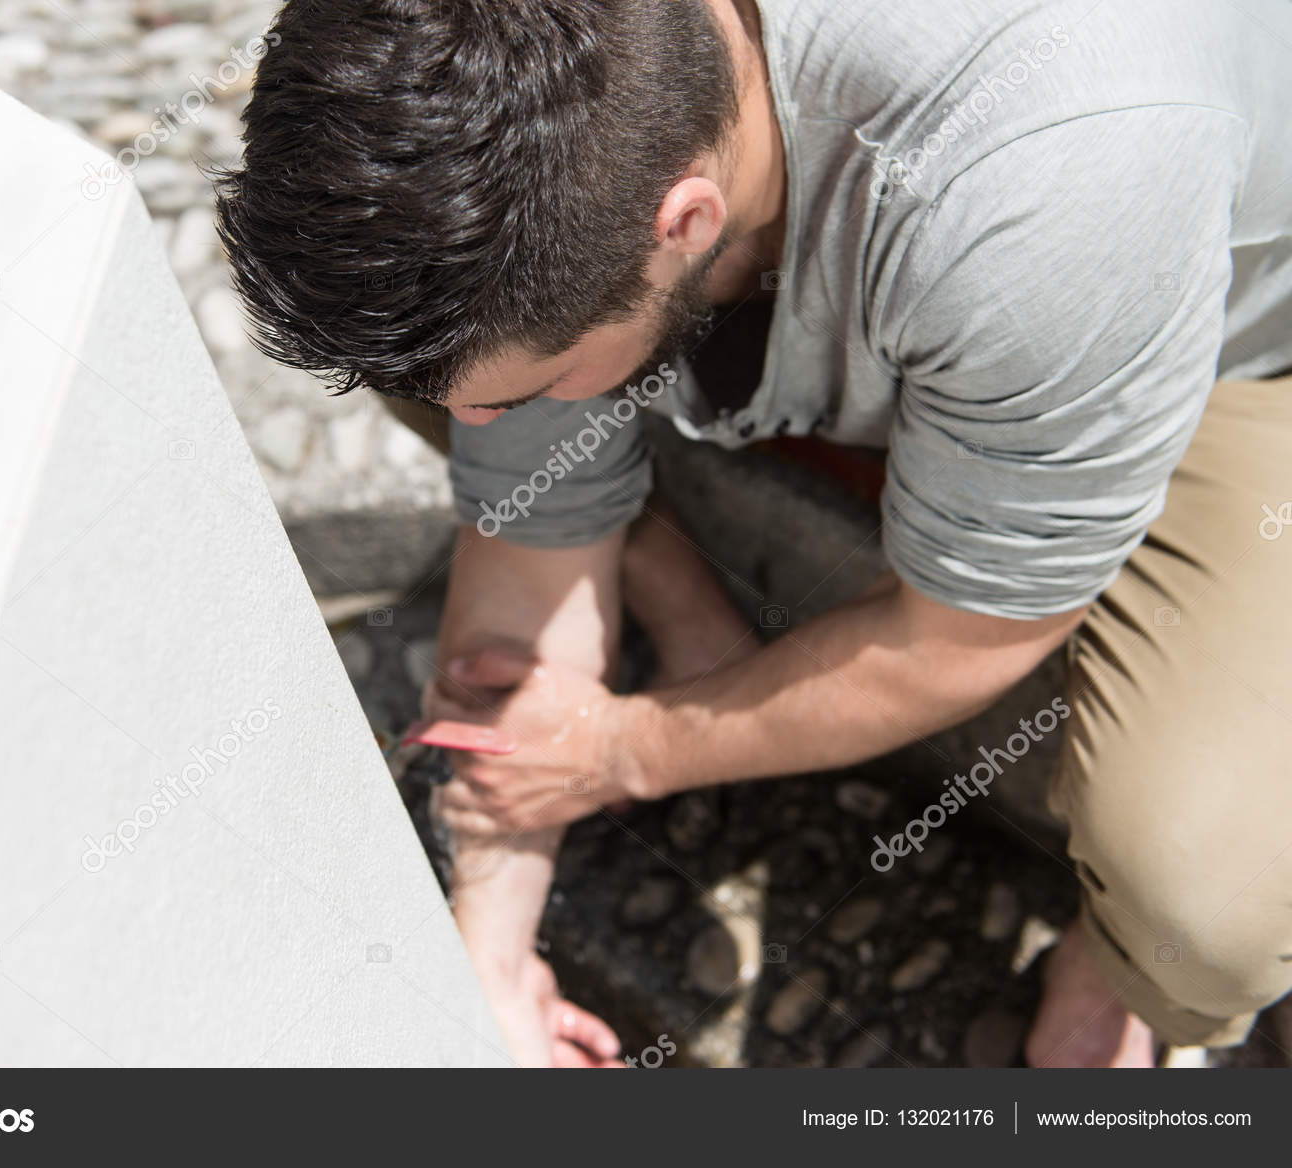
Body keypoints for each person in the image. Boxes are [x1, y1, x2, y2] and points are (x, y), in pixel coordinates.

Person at [217, 0, 1292, 1067]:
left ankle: (1111, 969)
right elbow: (522, 541)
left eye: (527, 392)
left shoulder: (1054, 178)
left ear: (683, 222)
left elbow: (965, 637)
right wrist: (489, 964)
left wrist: (618, 749)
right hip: (926, 278)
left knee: (1203, 910)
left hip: (1216, 350)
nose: (485, 430)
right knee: (454, 372)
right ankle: (698, 618)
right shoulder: (571, 111)